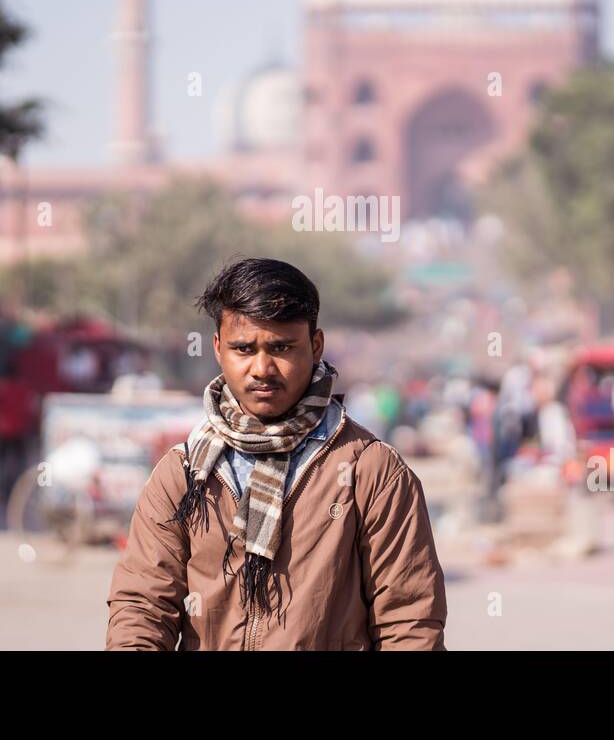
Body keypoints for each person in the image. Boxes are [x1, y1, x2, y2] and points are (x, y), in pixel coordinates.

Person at [106, 258, 447, 650]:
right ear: (218, 348)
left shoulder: (370, 471)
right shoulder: (183, 473)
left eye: (281, 348)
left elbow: (409, 621)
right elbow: (142, 607)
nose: (262, 368)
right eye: (243, 349)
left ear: (315, 346)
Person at [0, 357, 37, 504]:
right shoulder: (23, 387)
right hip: (20, 430)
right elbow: (30, 409)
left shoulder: (0, 387)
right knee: (19, 461)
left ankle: (3, 489)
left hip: (2, 430)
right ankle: (18, 488)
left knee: (2, 462)